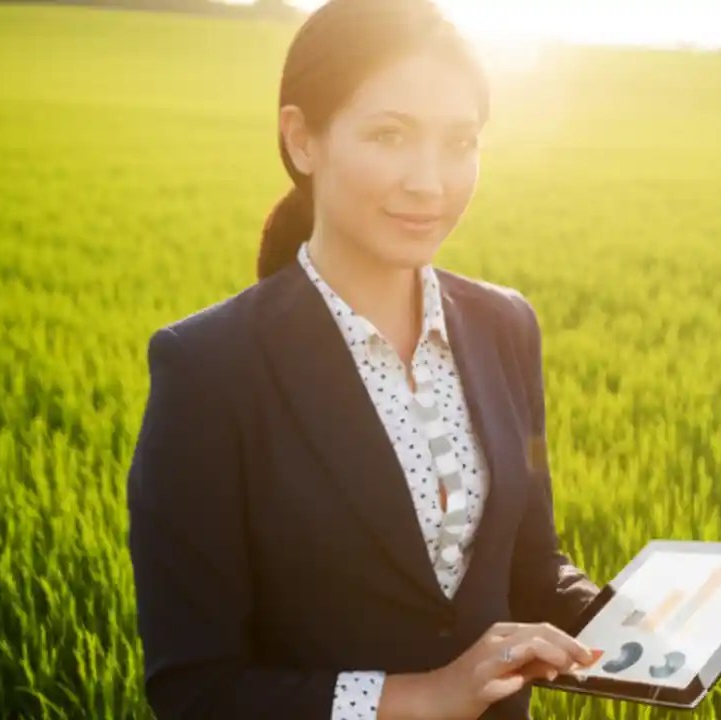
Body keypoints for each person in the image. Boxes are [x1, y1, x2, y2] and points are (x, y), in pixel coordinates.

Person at [124, 0, 602, 717]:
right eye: (389, 134)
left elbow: (531, 565)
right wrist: (422, 697)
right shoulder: (209, 369)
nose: (430, 181)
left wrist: (638, 617)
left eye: (460, 142)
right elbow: (194, 687)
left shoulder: (506, 327)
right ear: (302, 139)